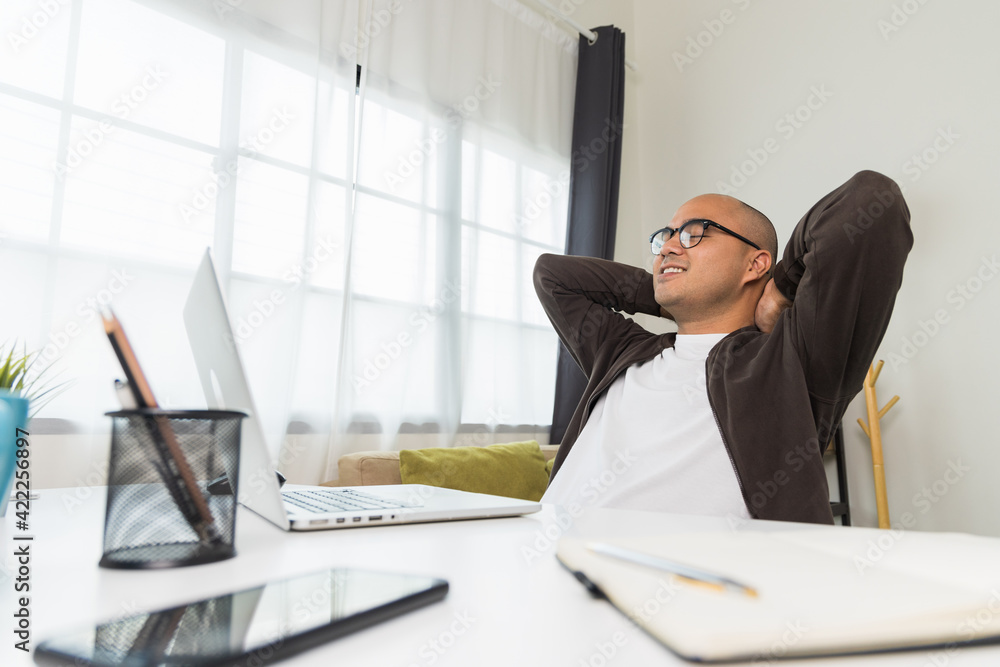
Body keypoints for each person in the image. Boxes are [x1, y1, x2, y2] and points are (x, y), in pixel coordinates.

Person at [533, 170, 912, 524]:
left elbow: (872, 200)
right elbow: (553, 275)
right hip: (535, 556)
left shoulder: (787, 360)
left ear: (756, 263)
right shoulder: (623, 352)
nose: (666, 248)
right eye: (666, 236)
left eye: (694, 232)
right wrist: (671, 292)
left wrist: (779, 290)